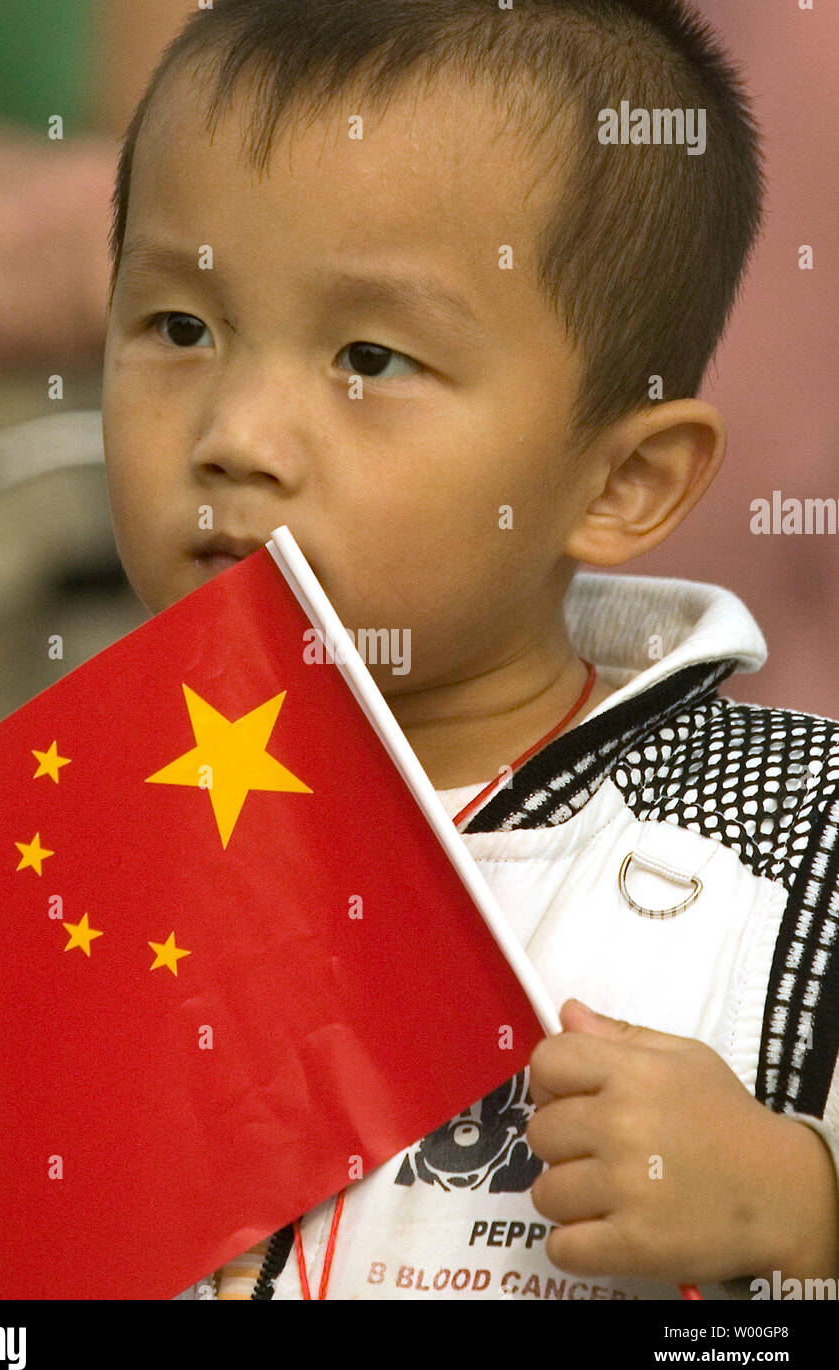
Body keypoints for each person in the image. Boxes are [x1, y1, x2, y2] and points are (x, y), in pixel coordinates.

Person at [100, 0, 839, 1300]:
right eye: (179, 327)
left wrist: (800, 1207)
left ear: (624, 481)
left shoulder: (795, 850)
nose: (234, 433)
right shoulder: (33, 852)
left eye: (369, 356)